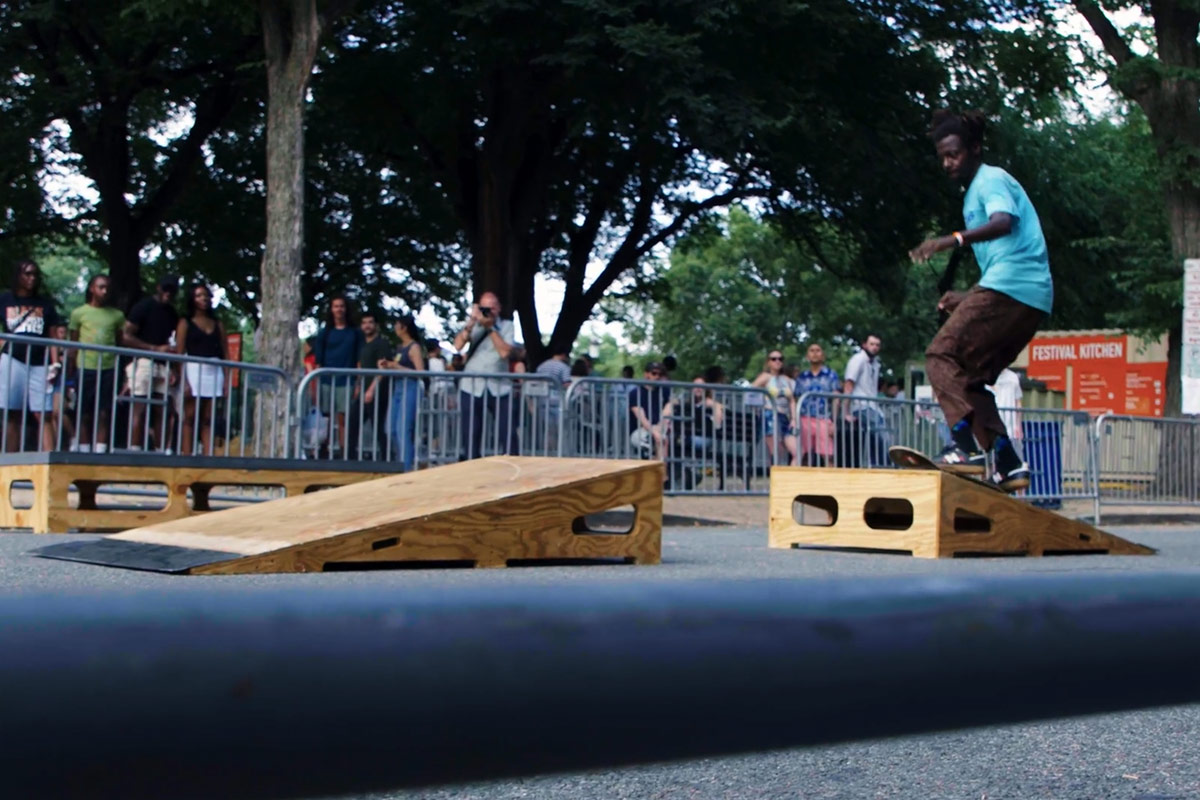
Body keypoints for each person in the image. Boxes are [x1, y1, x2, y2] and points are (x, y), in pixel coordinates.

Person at [909, 110, 1048, 490]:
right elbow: (1006, 254)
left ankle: (963, 445)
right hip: (1027, 295)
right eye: (942, 156)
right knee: (969, 380)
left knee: (940, 355)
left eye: (953, 154)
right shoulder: (973, 195)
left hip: (1012, 286)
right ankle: (1007, 461)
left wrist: (950, 240)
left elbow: (1005, 222)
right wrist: (969, 296)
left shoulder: (991, 179)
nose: (947, 163)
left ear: (974, 149)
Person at [0, 260, 61, 452]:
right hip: (13, 359)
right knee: (11, 413)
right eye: (27, 274)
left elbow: (53, 336)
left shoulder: (45, 304)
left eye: (34, 274)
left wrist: (56, 363)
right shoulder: (5, 300)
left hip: (39, 363)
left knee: (44, 413)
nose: (31, 278)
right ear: (18, 276)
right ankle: (9, 464)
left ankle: (48, 462)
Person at [452, 291, 518, 460]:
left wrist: (491, 328)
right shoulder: (474, 325)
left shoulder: (507, 326)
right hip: (472, 386)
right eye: (484, 308)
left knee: (507, 430)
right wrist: (472, 321)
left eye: (492, 307)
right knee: (471, 431)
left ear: (499, 308)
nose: (489, 311)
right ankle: (471, 466)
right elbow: (458, 345)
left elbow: (504, 352)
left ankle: (513, 464)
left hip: (500, 386)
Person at [68, 274, 128, 453]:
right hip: (85, 366)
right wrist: (70, 369)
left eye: (107, 288)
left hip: (108, 368)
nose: (105, 291)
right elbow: (73, 342)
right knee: (84, 410)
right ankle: (85, 448)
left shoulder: (117, 315)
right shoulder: (79, 313)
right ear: (92, 289)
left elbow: (119, 340)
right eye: (101, 287)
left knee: (104, 410)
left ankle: (100, 449)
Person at [123, 275, 179, 451]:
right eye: (165, 289)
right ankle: (134, 450)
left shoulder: (172, 313)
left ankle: (160, 451)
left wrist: (175, 368)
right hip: (144, 362)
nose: (168, 294)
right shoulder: (143, 306)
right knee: (139, 407)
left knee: (163, 409)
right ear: (158, 288)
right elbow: (126, 336)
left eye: (172, 290)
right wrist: (153, 349)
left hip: (164, 365)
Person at [175, 283, 228, 456]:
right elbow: (179, 352)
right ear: (192, 299)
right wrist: (184, 381)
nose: (203, 298)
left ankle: (207, 455)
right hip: (193, 369)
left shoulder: (217, 323)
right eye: (198, 295)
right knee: (189, 416)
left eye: (206, 295)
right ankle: (187, 454)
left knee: (208, 418)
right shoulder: (185, 322)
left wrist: (227, 379)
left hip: (214, 370)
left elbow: (226, 353)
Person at [312, 296, 364, 458]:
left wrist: (358, 382)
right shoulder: (324, 333)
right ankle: (323, 448)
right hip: (326, 380)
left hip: (347, 380)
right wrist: (314, 386)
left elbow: (359, 359)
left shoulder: (355, 333)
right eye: (336, 306)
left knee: (343, 418)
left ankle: (344, 451)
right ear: (331, 309)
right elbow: (318, 361)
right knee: (326, 418)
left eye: (341, 306)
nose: (339, 309)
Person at [378, 314, 425, 471]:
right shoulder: (399, 347)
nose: (395, 329)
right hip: (398, 387)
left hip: (410, 387)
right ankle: (400, 462)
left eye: (397, 325)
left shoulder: (414, 347)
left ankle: (406, 467)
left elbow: (420, 372)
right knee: (390, 428)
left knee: (403, 429)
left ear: (403, 327)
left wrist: (397, 367)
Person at [841, 333, 886, 467]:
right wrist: (845, 412)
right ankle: (880, 466)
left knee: (878, 436)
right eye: (871, 344)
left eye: (877, 345)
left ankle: (878, 465)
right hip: (861, 405)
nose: (874, 347)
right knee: (880, 434)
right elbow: (849, 384)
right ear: (864, 345)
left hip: (872, 406)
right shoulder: (858, 360)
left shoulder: (875, 364)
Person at [794, 343, 841, 466]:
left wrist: (834, 422)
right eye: (811, 350)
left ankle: (831, 483)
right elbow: (796, 398)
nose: (815, 353)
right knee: (803, 454)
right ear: (807, 355)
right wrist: (794, 419)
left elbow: (836, 399)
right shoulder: (802, 377)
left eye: (818, 350)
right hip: (805, 418)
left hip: (823, 418)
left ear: (823, 355)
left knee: (828, 454)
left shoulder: (831, 374)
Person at [751, 350, 797, 465]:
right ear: (768, 362)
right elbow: (750, 391)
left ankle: (788, 481)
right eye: (774, 359)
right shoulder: (765, 377)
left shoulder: (786, 379)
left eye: (780, 359)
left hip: (785, 417)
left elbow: (792, 401)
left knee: (796, 452)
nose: (777, 361)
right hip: (770, 414)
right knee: (776, 452)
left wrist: (794, 419)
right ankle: (775, 481)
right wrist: (758, 409)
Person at [628, 361, 670, 460]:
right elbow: (641, 418)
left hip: (660, 428)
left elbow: (670, 406)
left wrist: (659, 427)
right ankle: (658, 470)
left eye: (660, 374)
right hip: (640, 431)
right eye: (654, 373)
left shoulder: (665, 391)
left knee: (664, 438)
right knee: (654, 439)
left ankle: (661, 472)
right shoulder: (635, 393)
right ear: (646, 374)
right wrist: (654, 432)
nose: (657, 376)